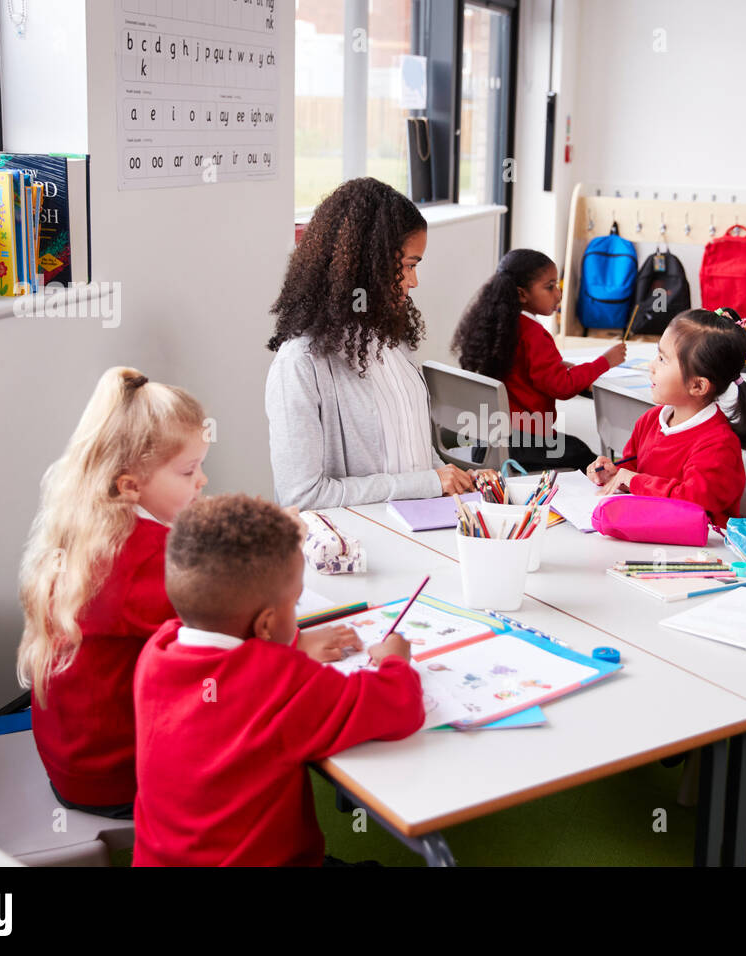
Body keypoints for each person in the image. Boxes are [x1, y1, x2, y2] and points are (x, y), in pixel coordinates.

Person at [133, 494, 423, 866]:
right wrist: (394, 659)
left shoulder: (156, 653)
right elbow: (399, 705)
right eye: (296, 603)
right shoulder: (280, 680)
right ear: (266, 624)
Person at [17, 367, 209, 817]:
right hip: (116, 776)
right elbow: (223, 632)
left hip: (72, 759)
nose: (201, 481)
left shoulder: (85, 529)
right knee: (258, 735)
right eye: (188, 471)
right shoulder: (140, 555)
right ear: (130, 484)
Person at [266, 177, 480, 509]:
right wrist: (427, 483)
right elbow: (302, 496)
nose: (414, 281)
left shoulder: (391, 342)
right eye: (408, 266)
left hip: (418, 528)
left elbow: (413, 456)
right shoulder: (300, 363)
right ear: (367, 267)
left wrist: (450, 476)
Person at [450, 248, 625, 470]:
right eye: (549, 287)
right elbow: (561, 387)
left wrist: (559, 366)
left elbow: (521, 367)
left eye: (557, 285)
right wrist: (605, 361)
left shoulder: (498, 325)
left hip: (487, 440)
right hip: (521, 442)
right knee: (582, 454)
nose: (558, 294)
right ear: (522, 294)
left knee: (574, 447)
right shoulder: (533, 333)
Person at [587, 309, 746, 527]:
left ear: (698, 385)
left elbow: (694, 502)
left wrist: (633, 480)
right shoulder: (651, 419)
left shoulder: (719, 445)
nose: (651, 366)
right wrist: (615, 473)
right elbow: (636, 467)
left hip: (701, 549)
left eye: (662, 359)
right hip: (651, 527)